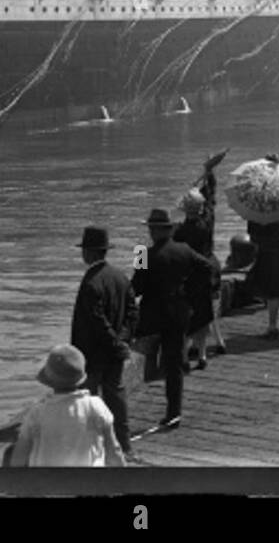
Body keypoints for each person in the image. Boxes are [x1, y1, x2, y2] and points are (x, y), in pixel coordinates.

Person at [131, 207, 216, 430]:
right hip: (178, 311)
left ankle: (147, 387)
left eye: (150, 228)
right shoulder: (184, 249)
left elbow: (135, 289)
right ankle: (174, 412)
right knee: (174, 363)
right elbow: (207, 268)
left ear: (153, 230)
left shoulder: (142, 253)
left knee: (147, 354)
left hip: (151, 315)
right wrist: (188, 289)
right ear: (168, 230)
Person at [70, 226, 136, 457]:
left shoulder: (90, 283)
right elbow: (131, 312)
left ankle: (93, 448)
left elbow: (96, 322)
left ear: (88, 253)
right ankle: (124, 446)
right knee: (117, 398)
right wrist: (123, 340)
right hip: (115, 353)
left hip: (93, 354)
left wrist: (114, 343)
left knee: (89, 402)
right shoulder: (121, 277)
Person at [9, 344, 126, 467]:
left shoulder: (37, 412)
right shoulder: (95, 406)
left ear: (50, 381)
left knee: (10, 451)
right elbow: (114, 450)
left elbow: (20, 455)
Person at [175, 189, 224, 368]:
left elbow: (141, 264)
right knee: (203, 313)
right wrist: (209, 176)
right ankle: (202, 355)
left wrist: (140, 248)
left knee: (188, 316)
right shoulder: (207, 224)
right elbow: (210, 206)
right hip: (207, 273)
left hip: (188, 277)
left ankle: (185, 356)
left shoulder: (179, 232)